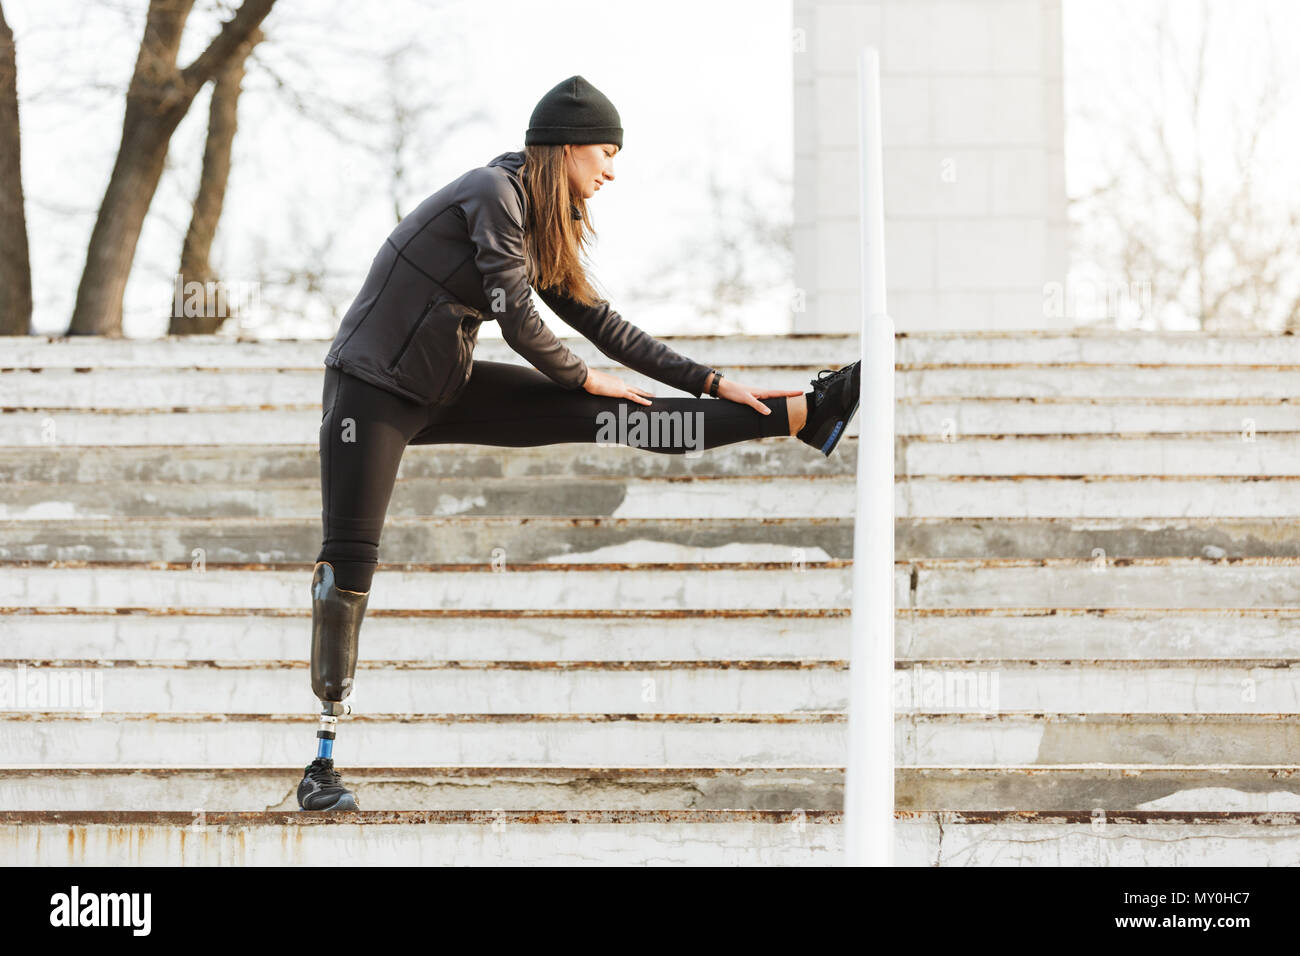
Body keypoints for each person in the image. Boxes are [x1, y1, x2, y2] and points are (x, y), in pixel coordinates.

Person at [298, 75, 861, 810]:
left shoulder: (540, 222)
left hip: (446, 384)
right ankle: (323, 763)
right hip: (370, 391)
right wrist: (580, 377)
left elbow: (606, 325)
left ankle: (802, 412)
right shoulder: (490, 194)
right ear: (563, 148)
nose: (611, 170)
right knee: (348, 570)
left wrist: (710, 379)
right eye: (604, 152)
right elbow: (510, 309)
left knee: (625, 415)